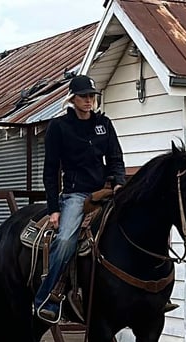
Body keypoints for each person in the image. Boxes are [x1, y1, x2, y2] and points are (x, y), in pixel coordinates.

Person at [33, 74, 125, 323]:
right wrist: (54, 209)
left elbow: (115, 159)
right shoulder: (59, 127)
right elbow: (50, 171)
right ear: (73, 98)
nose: (88, 100)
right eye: (84, 96)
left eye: (91, 96)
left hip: (104, 190)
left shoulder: (104, 124)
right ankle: (48, 297)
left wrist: (118, 183)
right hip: (75, 194)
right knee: (64, 241)